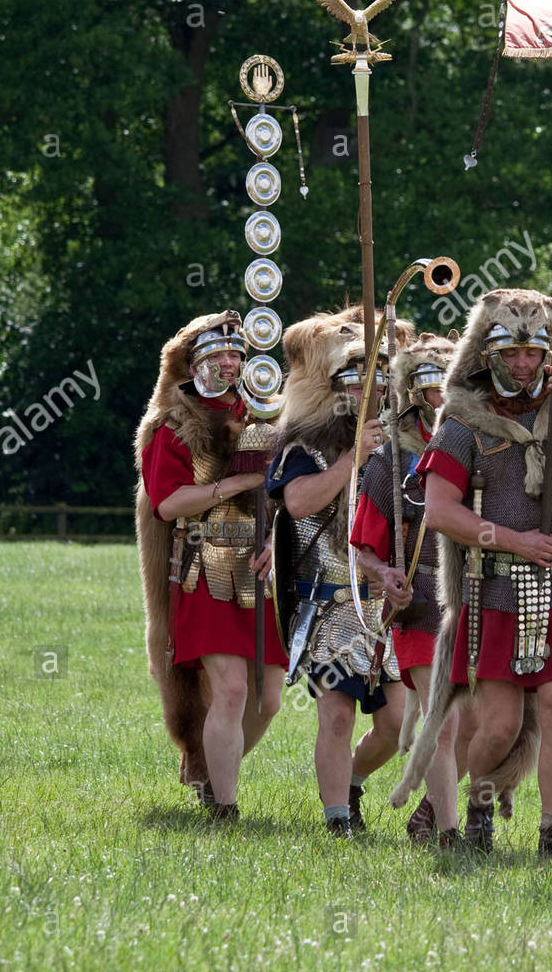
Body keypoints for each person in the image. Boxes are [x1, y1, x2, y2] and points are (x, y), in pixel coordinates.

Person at [411, 289, 552, 860]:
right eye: (513, 354)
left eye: (534, 353)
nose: (524, 364)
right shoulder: (463, 423)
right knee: (499, 725)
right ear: (491, 356)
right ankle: (479, 806)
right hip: (497, 587)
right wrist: (515, 540)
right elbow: (440, 511)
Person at [135, 310, 286, 822]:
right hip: (204, 568)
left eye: (235, 355)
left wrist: (276, 539)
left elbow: (286, 493)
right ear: (193, 363)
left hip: (261, 572)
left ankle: (209, 767)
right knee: (232, 688)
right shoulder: (172, 425)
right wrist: (234, 485)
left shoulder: (262, 414)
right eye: (217, 356)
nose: (228, 364)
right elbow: (167, 504)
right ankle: (224, 805)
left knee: (267, 700)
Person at [267, 309, 410, 837]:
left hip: (385, 605)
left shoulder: (404, 448)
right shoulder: (302, 448)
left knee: (397, 723)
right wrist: (353, 457)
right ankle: (336, 822)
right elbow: (300, 504)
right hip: (327, 604)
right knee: (337, 715)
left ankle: (350, 782)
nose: (366, 396)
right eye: (356, 384)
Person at [352, 330, 465, 848]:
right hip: (420, 607)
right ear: (418, 392)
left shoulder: (484, 445)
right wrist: (383, 574)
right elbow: (361, 548)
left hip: (485, 599)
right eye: (438, 386)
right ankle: (449, 833)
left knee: (488, 723)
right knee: (440, 724)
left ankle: (434, 812)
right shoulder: (389, 465)